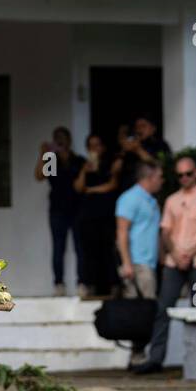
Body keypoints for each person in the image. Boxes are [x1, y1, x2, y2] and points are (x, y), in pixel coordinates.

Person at [139, 156, 196, 374]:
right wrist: (176, 254)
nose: (184, 178)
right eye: (179, 175)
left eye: (188, 173)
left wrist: (190, 253)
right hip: (173, 264)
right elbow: (165, 231)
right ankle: (155, 359)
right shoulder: (171, 200)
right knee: (163, 308)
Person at [116, 162, 164, 367]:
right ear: (149, 177)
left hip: (150, 263)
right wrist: (127, 263)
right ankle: (137, 355)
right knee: (141, 312)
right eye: (160, 177)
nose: (162, 181)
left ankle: (137, 354)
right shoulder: (130, 198)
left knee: (145, 310)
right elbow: (121, 232)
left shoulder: (152, 201)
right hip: (137, 264)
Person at [34, 126, 86, 296]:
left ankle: (82, 283)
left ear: (69, 141)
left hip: (77, 208)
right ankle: (58, 284)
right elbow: (39, 177)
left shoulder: (78, 160)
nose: (61, 142)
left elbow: (81, 185)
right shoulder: (52, 160)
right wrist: (43, 155)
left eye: (63, 138)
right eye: (57, 139)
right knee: (58, 247)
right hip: (57, 210)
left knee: (80, 246)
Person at [73, 133, 118, 298]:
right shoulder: (82, 165)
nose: (94, 149)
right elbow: (78, 187)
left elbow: (113, 184)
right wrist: (84, 171)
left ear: (103, 147)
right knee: (88, 252)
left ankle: (113, 285)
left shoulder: (110, 163)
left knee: (108, 251)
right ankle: (88, 284)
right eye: (91, 145)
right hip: (87, 216)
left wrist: (91, 190)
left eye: (97, 145)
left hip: (106, 214)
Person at [115, 116, 172, 191]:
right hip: (130, 189)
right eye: (137, 127)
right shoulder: (132, 146)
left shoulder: (160, 145)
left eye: (143, 126)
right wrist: (124, 151)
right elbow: (116, 170)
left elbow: (161, 164)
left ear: (153, 129)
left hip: (150, 189)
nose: (139, 130)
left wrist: (138, 149)